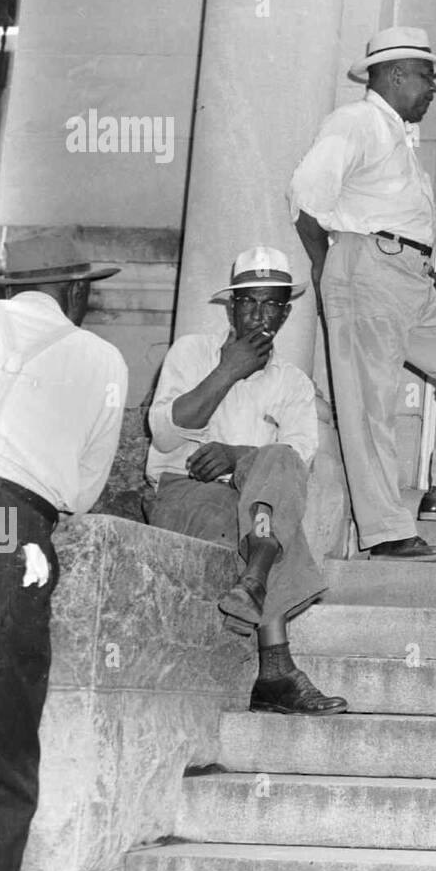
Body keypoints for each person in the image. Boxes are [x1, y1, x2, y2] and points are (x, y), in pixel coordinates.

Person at [290, 26, 436, 560]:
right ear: (397, 73)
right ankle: (386, 532)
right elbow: (307, 201)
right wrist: (332, 269)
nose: (433, 88)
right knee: (371, 407)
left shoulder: (394, 135)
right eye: (427, 76)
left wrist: (415, 263)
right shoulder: (354, 121)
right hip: (367, 269)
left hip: (407, 274)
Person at [0, 229, 127, 871]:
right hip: (8, 532)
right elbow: (84, 492)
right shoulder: (101, 357)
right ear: (77, 290)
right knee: (0, 765)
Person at [145, 246, 346, 716]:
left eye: (272, 304)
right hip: (185, 492)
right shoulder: (191, 352)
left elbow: (296, 461)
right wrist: (228, 369)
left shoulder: (293, 383)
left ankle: (254, 579)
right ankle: (275, 668)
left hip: (256, 501)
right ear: (231, 306)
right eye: (249, 302)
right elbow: (165, 431)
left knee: (274, 464)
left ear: (286, 312)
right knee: (260, 522)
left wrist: (237, 457)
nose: (259, 315)